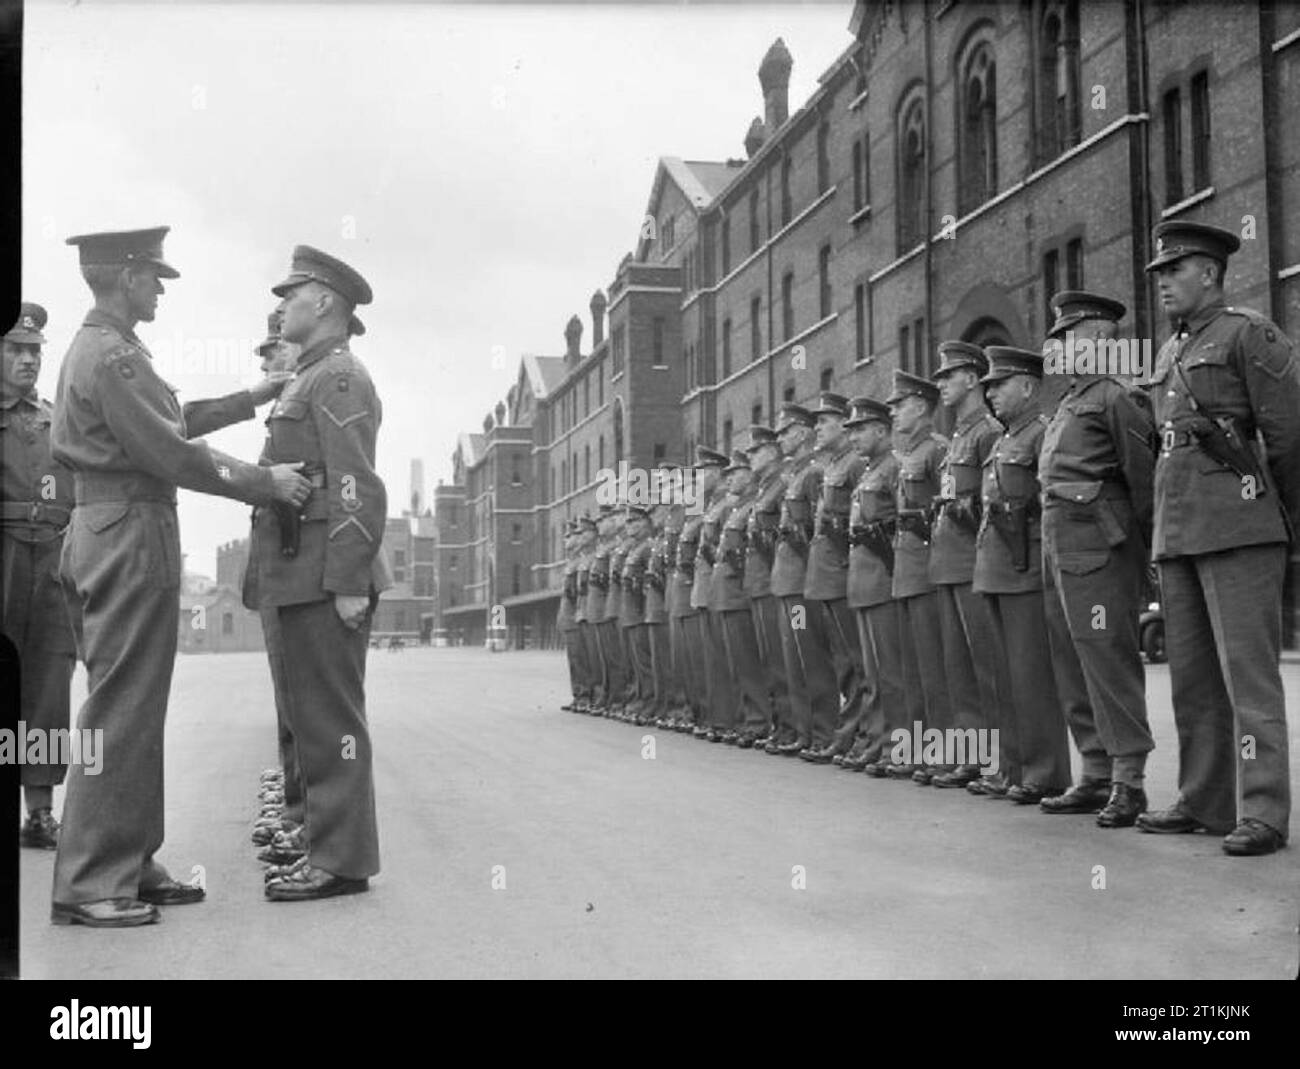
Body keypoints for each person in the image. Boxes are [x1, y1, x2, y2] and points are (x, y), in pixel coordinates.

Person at [50, 226, 309, 927]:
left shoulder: (113, 353)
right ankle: (90, 881)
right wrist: (267, 483)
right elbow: (174, 452)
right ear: (125, 276)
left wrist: (251, 395)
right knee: (120, 709)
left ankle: (128, 859)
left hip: (121, 533)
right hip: (126, 535)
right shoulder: (111, 356)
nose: (160, 287)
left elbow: (174, 420)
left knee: (135, 706)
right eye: (153, 276)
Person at [1135, 221, 1300, 856]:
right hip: (1180, 530)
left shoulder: (1247, 332)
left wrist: (1276, 513)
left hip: (1238, 525)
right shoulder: (1168, 352)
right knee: (1194, 679)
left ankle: (1262, 809)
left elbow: (1287, 434)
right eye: (1160, 274)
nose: (1164, 284)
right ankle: (1205, 800)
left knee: (1247, 678)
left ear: (1209, 272)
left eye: (1174, 271)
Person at [244, 245, 388, 899]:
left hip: (327, 573)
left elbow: (356, 480)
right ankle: (323, 842)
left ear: (324, 301)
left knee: (332, 720)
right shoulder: (308, 376)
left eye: (291, 294)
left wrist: (352, 579)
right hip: (300, 571)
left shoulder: (338, 377)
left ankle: (342, 859)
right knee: (312, 718)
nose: (281, 306)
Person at [1037, 291, 1156, 828]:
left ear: (1101, 339)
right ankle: (1095, 771)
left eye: (1070, 334)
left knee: (1108, 659)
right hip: (1060, 543)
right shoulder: (1067, 401)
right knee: (1072, 658)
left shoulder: (1117, 396)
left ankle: (1129, 781)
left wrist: (1146, 550)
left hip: (1100, 545)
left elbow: (1144, 481)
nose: (1059, 344)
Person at [972, 347, 1071, 804]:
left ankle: (1044, 771)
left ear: (1029, 387)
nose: (990, 393)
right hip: (994, 566)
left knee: (1031, 675)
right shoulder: (1002, 441)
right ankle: (1010, 766)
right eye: (988, 386)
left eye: (999, 384)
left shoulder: (1041, 434)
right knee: (1001, 676)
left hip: (1025, 565)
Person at [2, 303, 77, 849]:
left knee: (49, 682)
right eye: (15, 350)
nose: (27, 360)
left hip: (52, 559)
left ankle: (40, 812)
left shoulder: (58, 419)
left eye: (34, 352)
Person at [928, 343, 1003, 789]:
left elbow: (994, 498)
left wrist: (962, 508)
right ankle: (972, 755)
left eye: (948, 376)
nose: (941, 384)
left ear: (972, 379)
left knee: (985, 666)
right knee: (959, 668)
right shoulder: (958, 436)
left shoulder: (987, 432)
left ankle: (998, 759)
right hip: (948, 563)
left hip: (975, 563)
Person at [885, 370, 951, 782]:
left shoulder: (936, 451)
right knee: (910, 671)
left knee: (933, 670)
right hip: (905, 571)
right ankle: (917, 751)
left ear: (923, 407)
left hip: (927, 570)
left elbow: (940, 511)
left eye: (900, 405)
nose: (894, 413)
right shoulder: (907, 454)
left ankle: (943, 753)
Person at [841, 396, 903, 775]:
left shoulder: (893, 467)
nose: (855, 437)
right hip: (862, 580)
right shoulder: (868, 472)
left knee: (891, 672)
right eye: (853, 431)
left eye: (861, 429)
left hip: (884, 577)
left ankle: (898, 746)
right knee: (874, 673)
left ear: (882, 430)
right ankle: (880, 742)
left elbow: (903, 524)